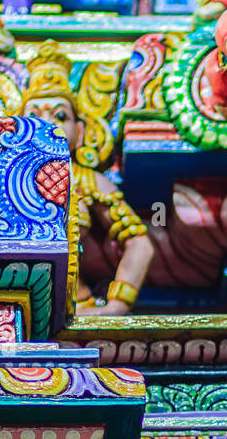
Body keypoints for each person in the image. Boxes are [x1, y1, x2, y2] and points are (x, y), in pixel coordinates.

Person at [20, 41, 155, 315]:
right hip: (16, 310)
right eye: (34, 116)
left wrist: (118, 304)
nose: (47, 124)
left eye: (59, 115)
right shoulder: (4, 180)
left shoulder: (87, 181)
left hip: (80, 307)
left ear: (80, 132)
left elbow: (140, 243)